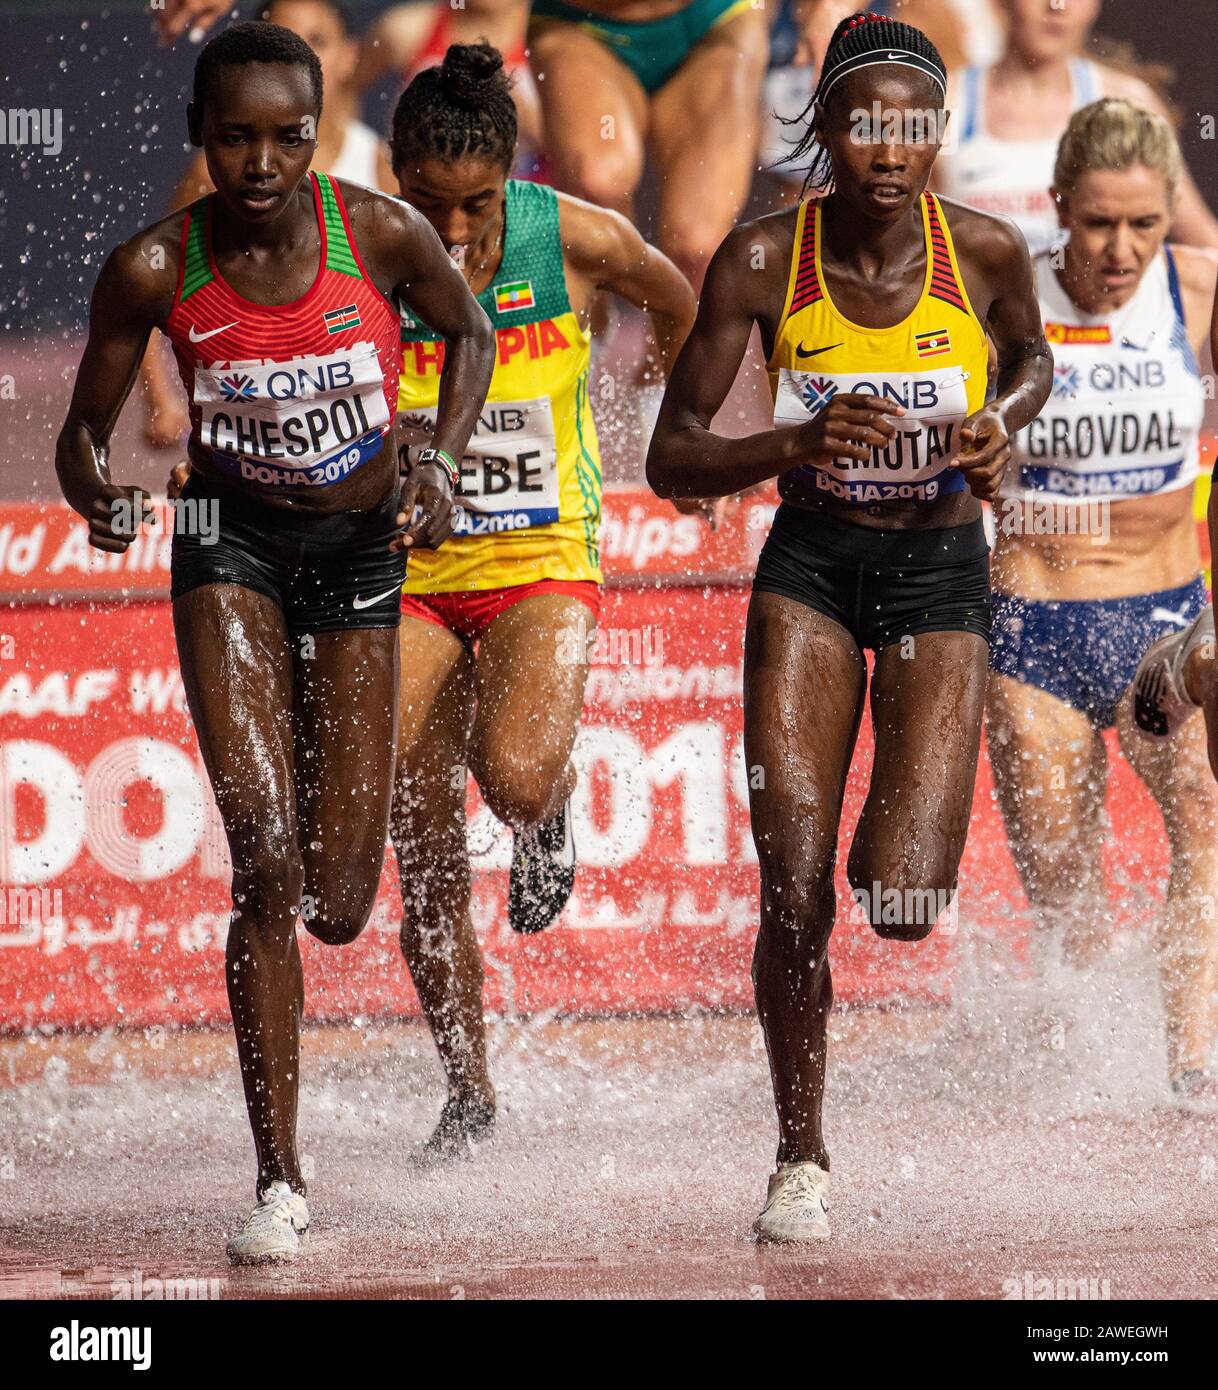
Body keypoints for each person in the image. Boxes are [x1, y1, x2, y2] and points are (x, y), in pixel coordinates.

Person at [56, 21, 494, 1262]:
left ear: (317, 133)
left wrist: (444, 456)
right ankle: (279, 1181)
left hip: (359, 556)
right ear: (200, 137)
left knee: (343, 899)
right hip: (229, 555)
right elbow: (82, 439)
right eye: (236, 138)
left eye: (287, 137)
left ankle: (321, 845)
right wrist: (96, 493)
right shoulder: (152, 268)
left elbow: (468, 336)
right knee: (265, 868)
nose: (262, 163)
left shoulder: (382, 234)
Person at [648, 10, 1050, 1241]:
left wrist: (1002, 426)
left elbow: (1031, 358)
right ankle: (800, 1154)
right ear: (824, 126)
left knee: (904, 902)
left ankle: (898, 864)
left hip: (937, 576)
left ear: (937, 130)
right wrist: (789, 442)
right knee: (793, 894)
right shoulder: (762, 263)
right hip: (809, 574)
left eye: (911, 123)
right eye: (863, 121)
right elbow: (673, 456)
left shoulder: (982, 252)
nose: (888, 146)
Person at [387, 42, 697, 1161]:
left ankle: (548, 810)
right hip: (411, 577)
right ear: (396, 177)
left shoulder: (568, 236)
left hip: (542, 557)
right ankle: (468, 1089)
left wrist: (670, 403)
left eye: (478, 207)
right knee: (419, 845)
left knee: (515, 772)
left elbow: (677, 293)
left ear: (512, 183)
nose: (456, 235)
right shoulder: (370, 251)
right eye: (432, 206)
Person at [987, 99, 1218, 1103]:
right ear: (1059, 210)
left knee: (1205, 817)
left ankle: (1194, 1062)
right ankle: (1090, 1072)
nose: (1121, 251)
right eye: (1097, 224)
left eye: (1144, 225)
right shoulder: (1005, 304)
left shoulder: (1201, 291)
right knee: (1065, 885)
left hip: (1170, 618)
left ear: (1171, 215)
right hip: (1035, 630)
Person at [142, 0, 387, 449]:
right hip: (248, 414)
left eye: (316, 42)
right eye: (286, 43)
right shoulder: (212, 172)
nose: (301, 61)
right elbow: (148, 278)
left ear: (350, 56)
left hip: (356, 428)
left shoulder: (379, 165)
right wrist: (160, 399)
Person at [934, 0, 1218, 256]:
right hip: (971, 313)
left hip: (1097, 313)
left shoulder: (1129, 105)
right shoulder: (944, 105)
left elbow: (1202, 241)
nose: (1057, 6)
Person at [526, 0, 770, 292]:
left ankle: (670, 334)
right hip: (579, 25)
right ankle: (596, 328)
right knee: (597, 184)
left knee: (698, 249)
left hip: (713, 24)